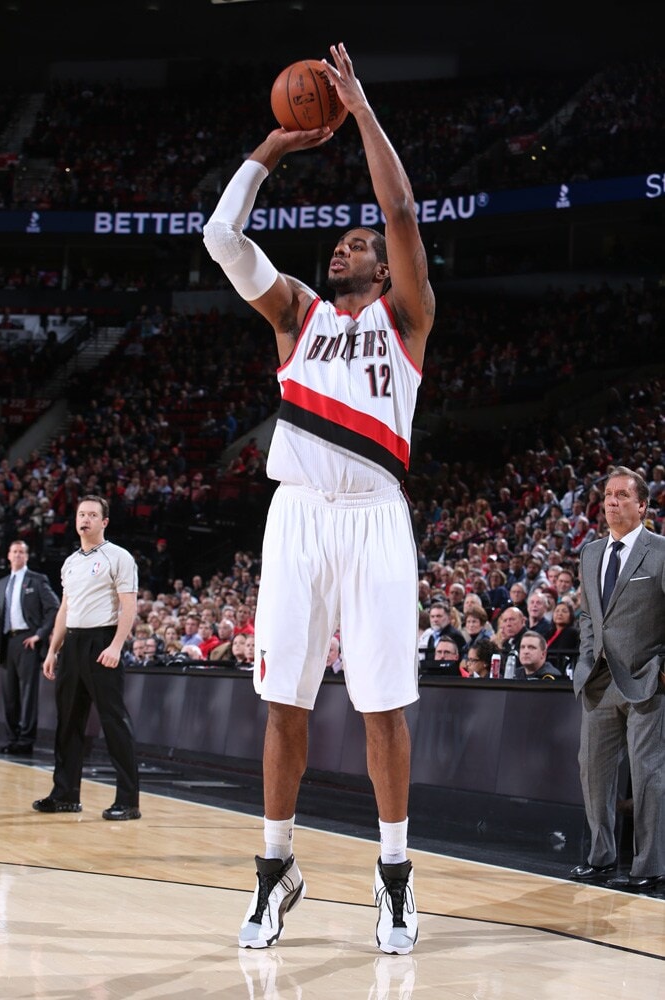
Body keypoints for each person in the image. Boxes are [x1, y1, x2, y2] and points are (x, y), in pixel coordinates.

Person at [203, 42, 434, 954]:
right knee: (284, 703)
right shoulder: (295, 314)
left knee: (382, 706)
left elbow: (403, 208)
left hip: (375, 516)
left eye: (358, 246)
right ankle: (274, 870)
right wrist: (269, 149)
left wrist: (361, 111)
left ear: (381, 271)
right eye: (338, 243)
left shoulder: (405, 319)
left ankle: (393, 877)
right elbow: (222, 240)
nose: (343, 248)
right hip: (296, 512)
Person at [570, 467, 665, 891]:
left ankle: (649, 866)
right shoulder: (590, 552)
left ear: (642, 505)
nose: (612, 502)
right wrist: (588, 656)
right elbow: (589, 613)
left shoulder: (659, 551)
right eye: (608, 495)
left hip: (647, 680)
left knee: (647, 775)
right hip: (598, 680)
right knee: (592, 771)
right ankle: (601, 857)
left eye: (623, 495)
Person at [32, 495, 141, 821]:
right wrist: (53, 650)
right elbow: (65, 609)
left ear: (104, 522)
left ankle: (128, 800)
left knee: (114, 722)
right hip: (73, 644)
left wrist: (116, 645)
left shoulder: (118, 557)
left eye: (93, 514)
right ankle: (65, 794)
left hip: (102, 642)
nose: (86, 519)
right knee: (68, 722)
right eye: (82, 514)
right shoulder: (70, 562)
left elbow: (129, 605)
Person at [0, 540, 60, 755]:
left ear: (26, 556)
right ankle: (12, 738)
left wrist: (40, 634)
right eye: (14, 551)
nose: (17, 555)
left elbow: (54, 607)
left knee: (27, 693)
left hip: (28, 640)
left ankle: (25, 740)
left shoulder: (37, 579)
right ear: (8, 555)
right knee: (9, 693)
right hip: (7, 641)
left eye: (21, 552)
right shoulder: (3, 583)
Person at [545, 600, 580, 673]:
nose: (559, 614)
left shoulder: (571, 632)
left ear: (570, 615)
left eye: (564, 611)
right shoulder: (549, 632)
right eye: (557, 611)